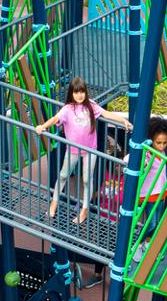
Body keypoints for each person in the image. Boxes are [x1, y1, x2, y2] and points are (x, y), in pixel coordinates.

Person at [35, 79, 127, 225]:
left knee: (86, 179)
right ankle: (54, 202)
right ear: (72, 93)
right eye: (76, 92)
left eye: (82, 92)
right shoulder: (68, 109)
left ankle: (84, 209)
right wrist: (42, 127)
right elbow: (55, 118)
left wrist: (123, 121)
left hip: (90, 150)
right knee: (64, 175)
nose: (79, 95)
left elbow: (107, 114)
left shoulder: (91, 105)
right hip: (73, 150)